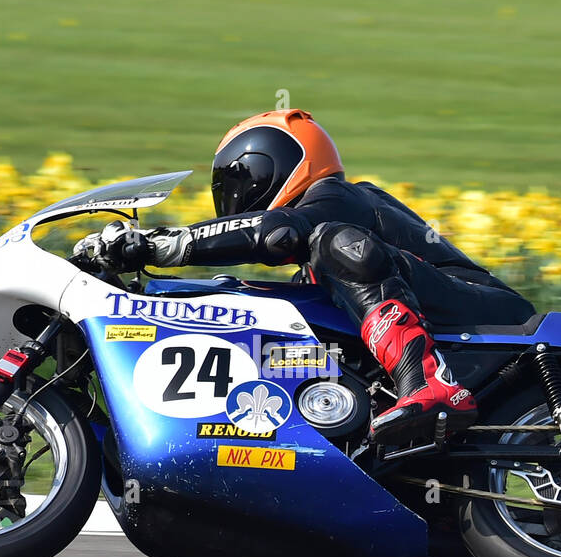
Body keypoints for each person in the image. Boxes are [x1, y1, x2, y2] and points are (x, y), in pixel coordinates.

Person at [74, 110, 535, 442]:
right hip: (452, 317)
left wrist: (155, 244)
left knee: (337, 242)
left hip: (481, 309)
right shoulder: (323, 239)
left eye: (243, 175)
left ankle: (429, 383)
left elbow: (277, 234)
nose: (236, 192)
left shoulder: (337, 198)